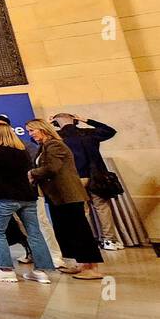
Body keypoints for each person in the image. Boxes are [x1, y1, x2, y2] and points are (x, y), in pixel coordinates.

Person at [0, 120, 56, 283]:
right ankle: (40, 271)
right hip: (28, 198)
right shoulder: (22, 152)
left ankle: (5, 269)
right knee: (34, 233)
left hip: (6, 198)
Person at [27, 120, 103, 281]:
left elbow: (52, 167)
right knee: (69, 230)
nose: (31, 134)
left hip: (67, 194)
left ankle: (92, 267)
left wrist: (32, 173)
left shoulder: (55, 145)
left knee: (80, 230)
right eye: (29, 131)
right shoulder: (44, 147)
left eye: (32, 130)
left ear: (43, 129)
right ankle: (82, 263)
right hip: (56, 196)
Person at [53, 113, 124, 252]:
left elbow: (35, 139)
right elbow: (110, 131)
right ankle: (108, 240)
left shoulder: (57, 137)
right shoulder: (88, 133)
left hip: (74, 177)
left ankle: (88, 240)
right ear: (75, 120)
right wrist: (86, 120)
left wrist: (49, 123)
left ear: (56, 122)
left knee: (81, 210)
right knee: (102, 208)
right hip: (96, 176)